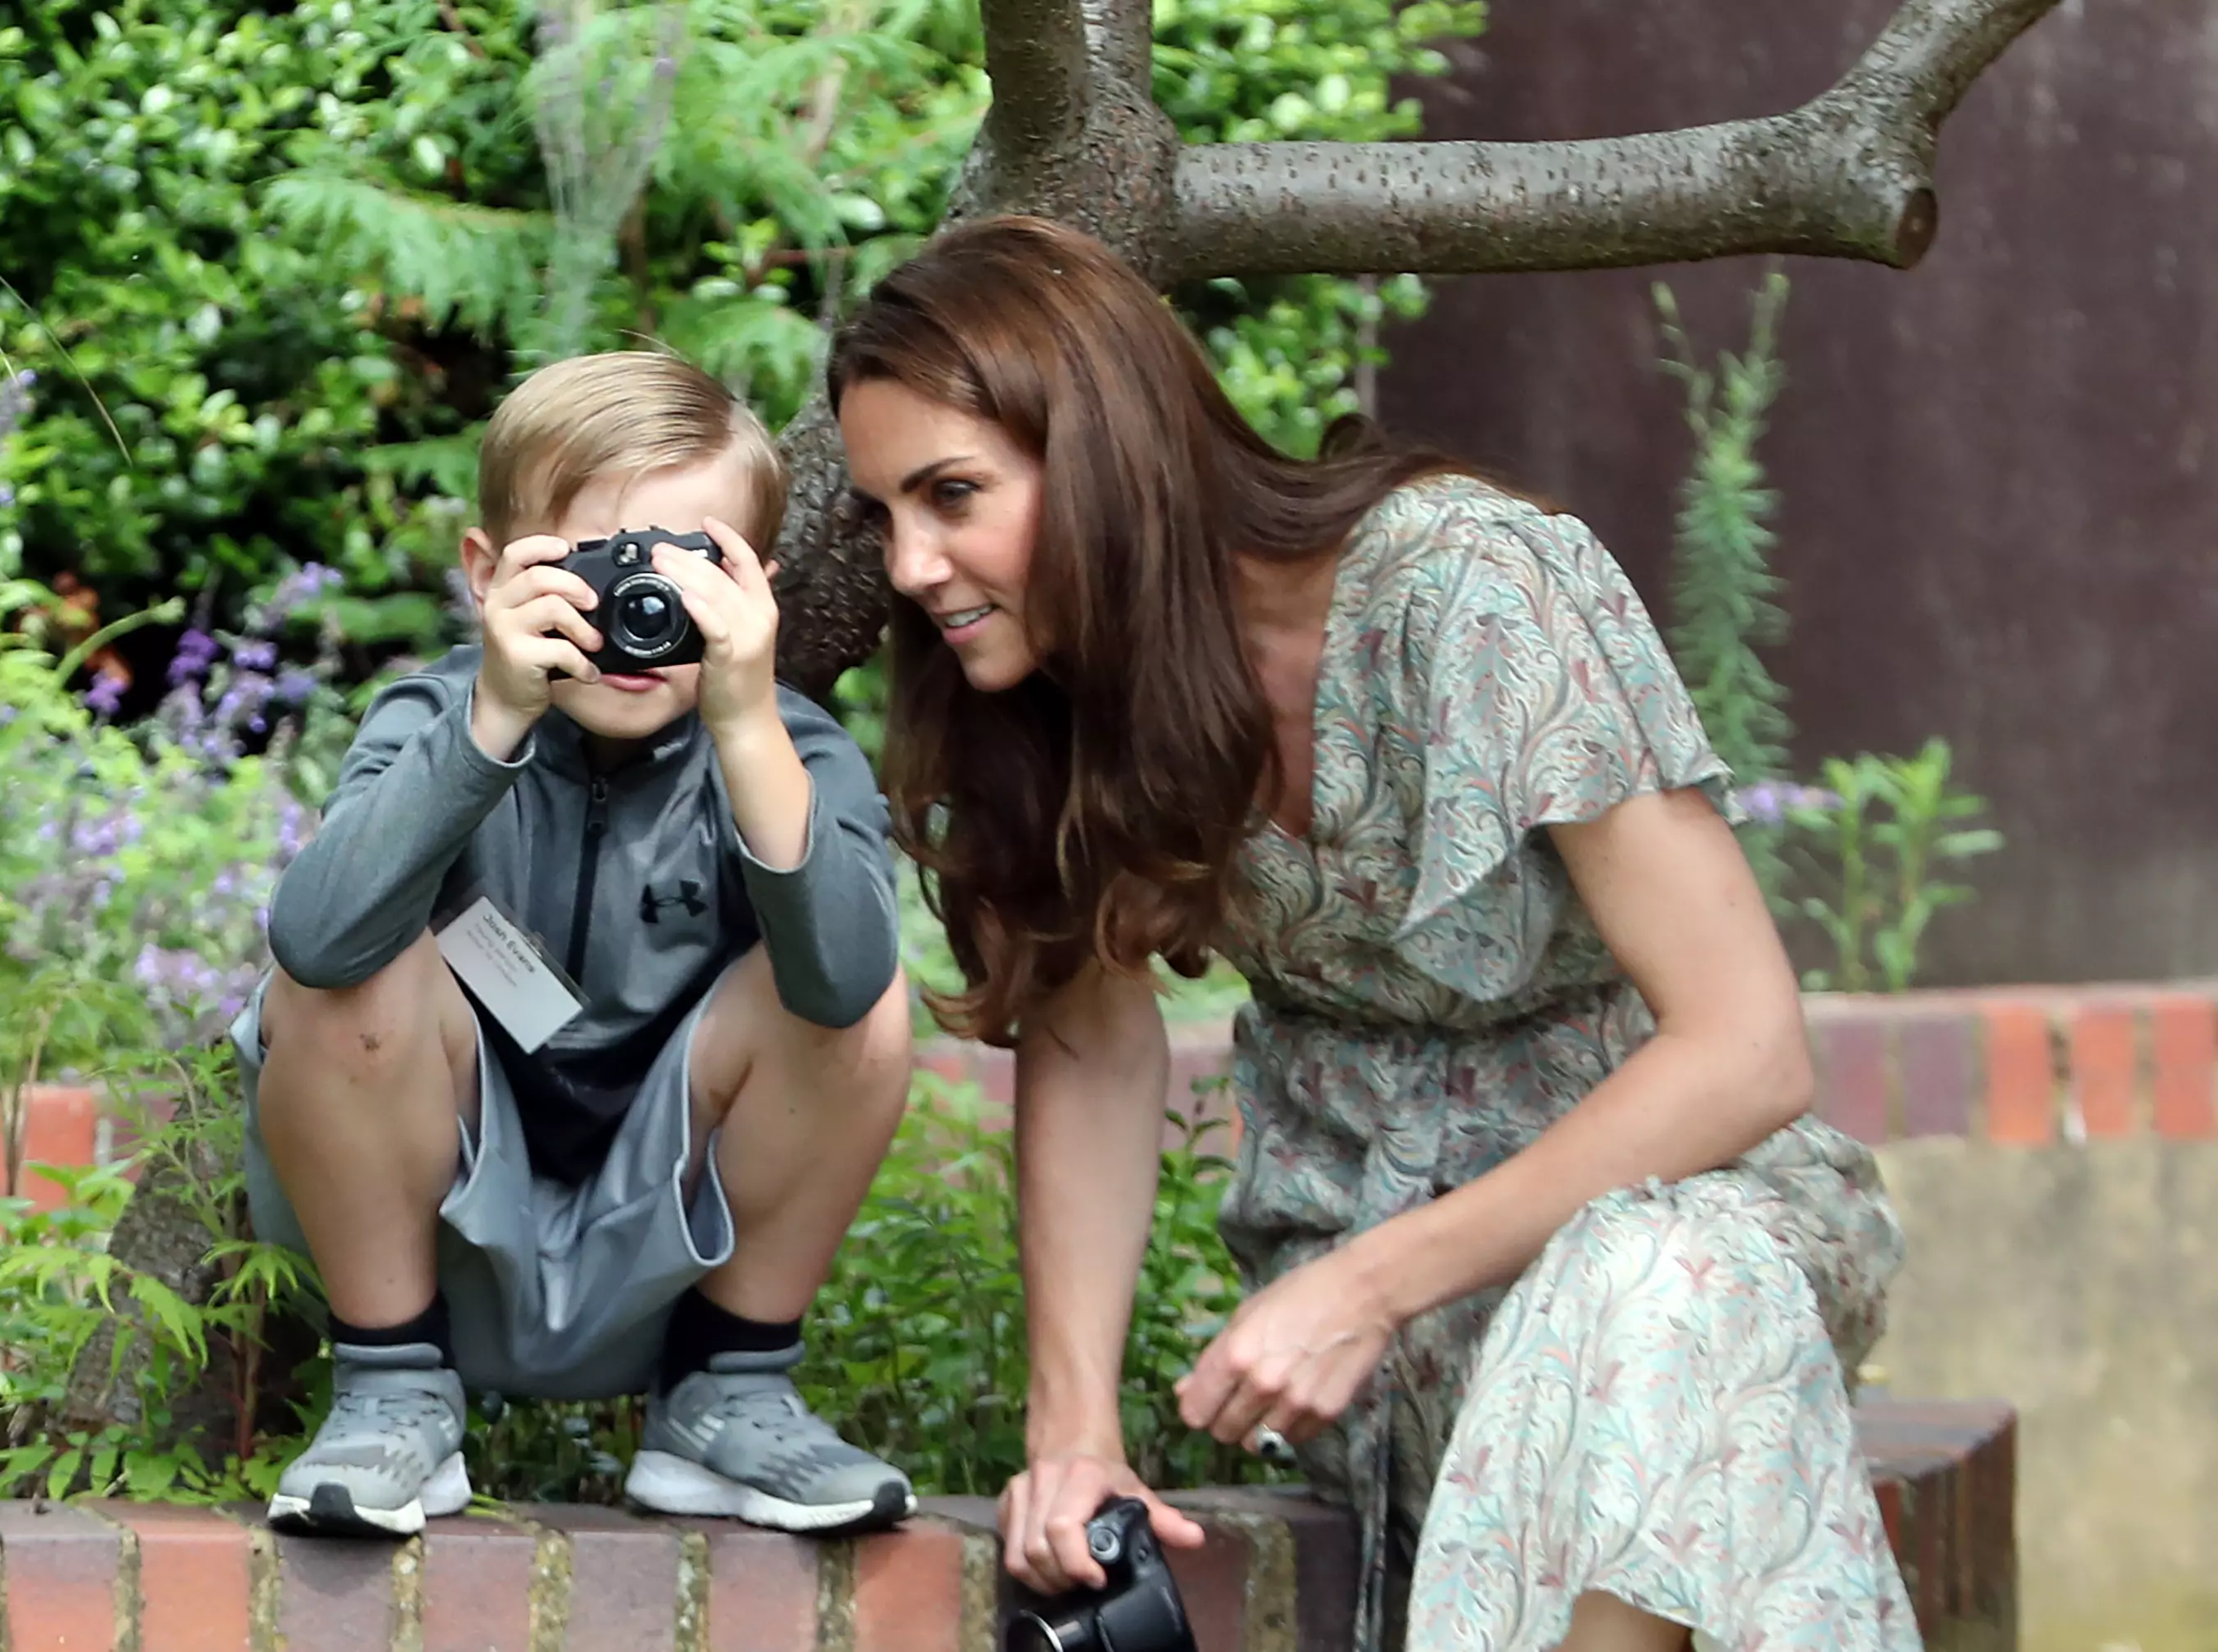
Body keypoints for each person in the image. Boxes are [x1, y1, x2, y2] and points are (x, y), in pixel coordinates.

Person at [828, 215, 1917, 1652]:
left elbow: (1749, 1050)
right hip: (1371, 1295)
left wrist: (1371, 1285)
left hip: (1675, 1216)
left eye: (951, 494)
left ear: (1098, 451)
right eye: (883, 516)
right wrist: (1073, 1427)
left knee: (1663, 1296)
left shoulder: (1469, 588)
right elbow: (1089, 1043)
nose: (910, 564)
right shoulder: (1047, 704)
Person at [237, 351, 917, 1540]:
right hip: (433, 1232)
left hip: (675, 1245)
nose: (636, 611)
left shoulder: (791, 750)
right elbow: (315, 940)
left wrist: (748, 723)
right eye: (597, 564)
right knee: (356, 968)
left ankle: (732, 1394)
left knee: (866, 1000)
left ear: (757, 587)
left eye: (687, 570)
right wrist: (495, 717)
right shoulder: (433, 715)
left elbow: (843, 985)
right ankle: (392, 1393)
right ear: (488, 574)